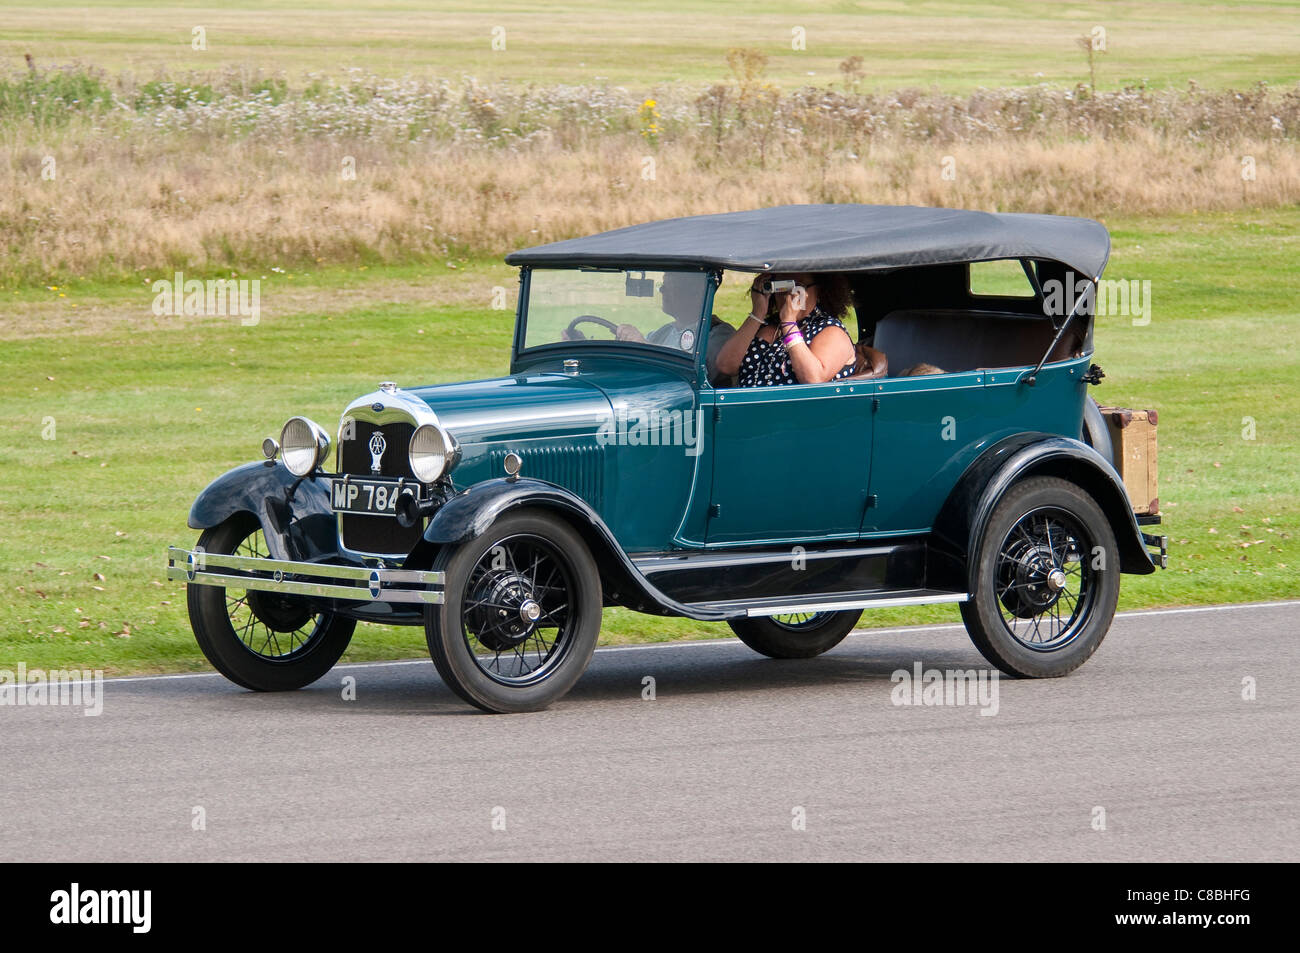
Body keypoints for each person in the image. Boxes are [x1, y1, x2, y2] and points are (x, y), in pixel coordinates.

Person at [714, 273, 856, 387]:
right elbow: (725, 366)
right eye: (781, 287)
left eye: (797, 287)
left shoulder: (831, 331)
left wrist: (789, 323)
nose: (788, 295)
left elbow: (813, 379)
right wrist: (758, 313)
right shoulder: (767, 327)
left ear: (820, 290)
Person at [615, 272, 735, 384]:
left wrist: (644, 345)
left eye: (671, 286)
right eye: (663, 285)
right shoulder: (663, 332)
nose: (662, 290)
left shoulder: (719, 333)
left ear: (697, 294)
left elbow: (696, 375)